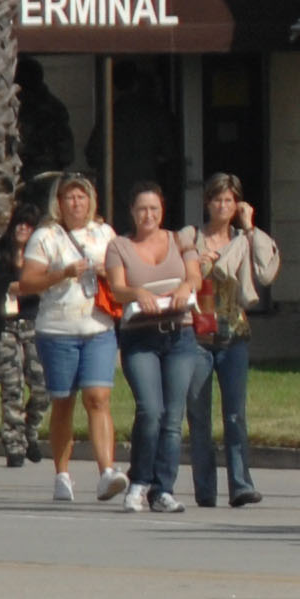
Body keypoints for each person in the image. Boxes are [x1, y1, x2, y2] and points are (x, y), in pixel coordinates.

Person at [17, 173, 127, 506]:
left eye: (81, 197)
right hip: (58, 329)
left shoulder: (103, 232)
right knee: (63, 402)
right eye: (69, 198)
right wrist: (63, 273)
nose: (76, 203)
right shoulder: (46, 236)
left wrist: (106, 271)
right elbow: (28, 281)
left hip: (98, 327)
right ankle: (62, 474)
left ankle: (107, 470)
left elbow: (122, 269)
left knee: (98, 397)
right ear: (59, 203)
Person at [177, 173, 280, 510]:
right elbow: (173, 275)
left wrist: (251, 227)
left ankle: (241, 484)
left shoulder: (244, 238)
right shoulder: (191, 238)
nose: (223, 206)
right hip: (197, 335)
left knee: (235, 415)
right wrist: (196, 266)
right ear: (207, 202)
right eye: (217, 199)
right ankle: (205, 490)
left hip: (234, 334)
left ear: (238, 204)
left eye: (230, 200)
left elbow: (266, 272)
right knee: (200, 416)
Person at [103, 185, 201, 513]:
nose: (149, 216)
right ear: (132, 211)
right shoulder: (120, 245)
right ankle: (139, 482)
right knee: (150, 411)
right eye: (143, 209)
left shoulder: (179, 240)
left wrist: (185, 286)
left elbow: (195, 278)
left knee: (173, 417)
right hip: (140, 335)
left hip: (179, 334)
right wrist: (136, 292)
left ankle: (163, 489)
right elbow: (117, 289)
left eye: (155, 210)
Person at [0, 214, 42, 472]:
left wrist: (26, 287)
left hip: (35, 325)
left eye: (28, 223)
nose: (23, 228)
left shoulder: (40, 254)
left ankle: (31, 430)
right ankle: (14, 444)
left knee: (43, 387)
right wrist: (11, 285)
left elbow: (50, 282)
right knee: (12, 387)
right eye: (19, 222)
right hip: (4, 327)